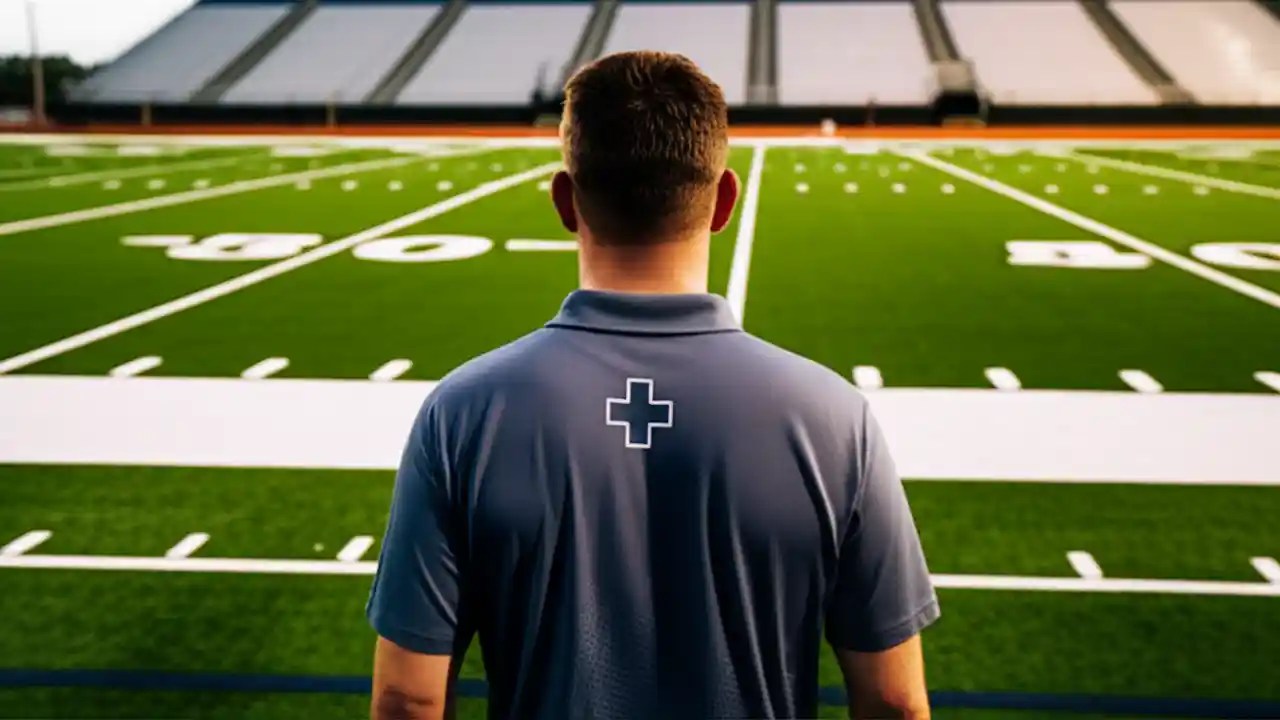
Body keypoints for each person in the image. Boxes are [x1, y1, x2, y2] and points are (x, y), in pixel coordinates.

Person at [367, 50, 938, 720]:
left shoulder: (462, 412)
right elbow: (896, 702)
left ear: (564, 201)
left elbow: (408, 698)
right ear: (725, 199)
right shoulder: (833, 415)